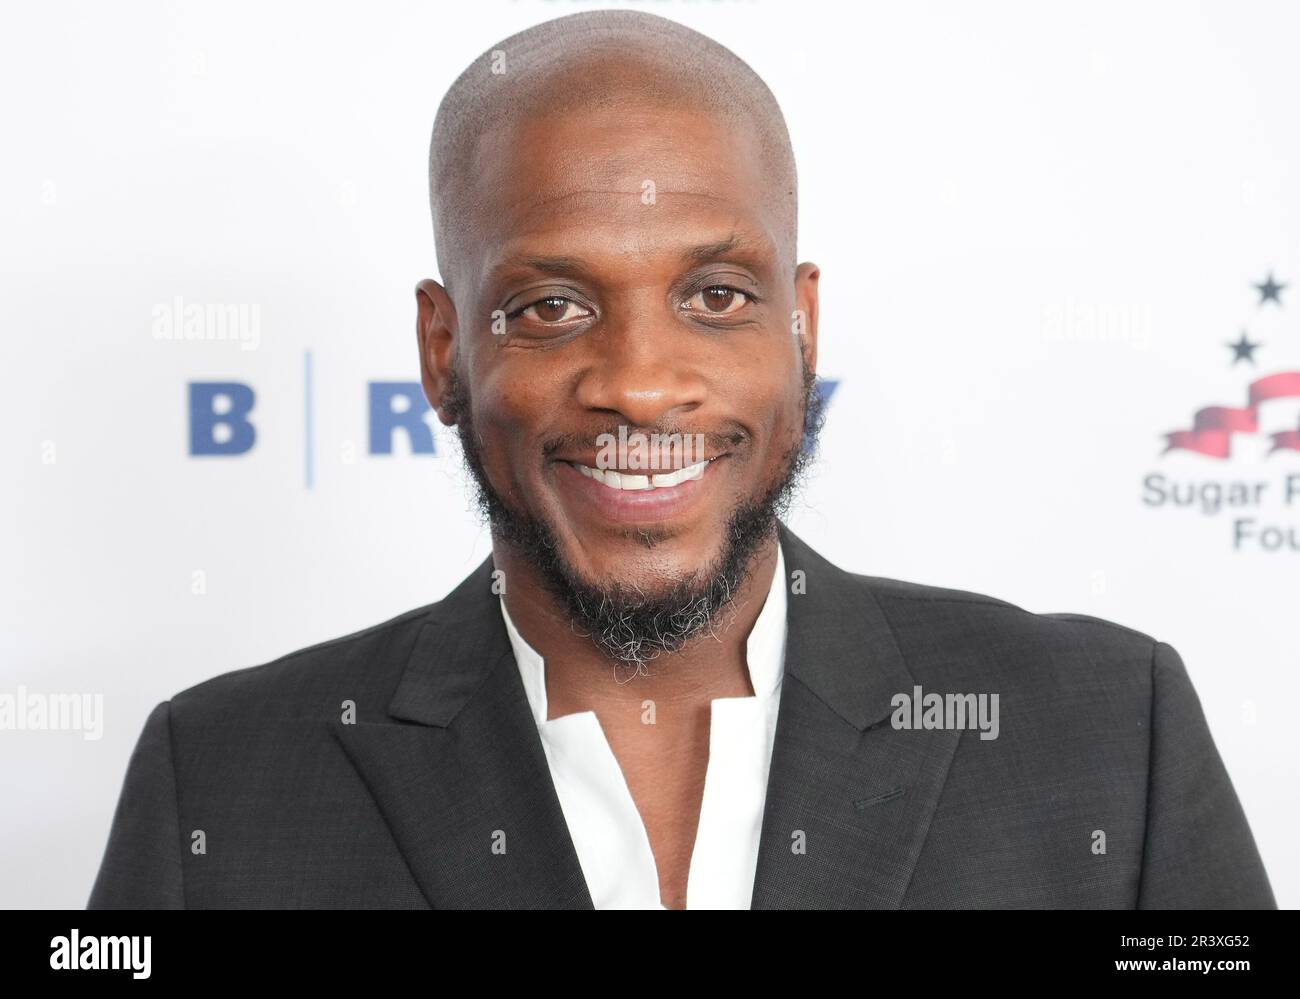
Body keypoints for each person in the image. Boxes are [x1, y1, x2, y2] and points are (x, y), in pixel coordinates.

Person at [88, 9, 1274, 910]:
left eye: (715, 294)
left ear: (801, 327)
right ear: (442, 350)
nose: (643, 383)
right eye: (550, 307)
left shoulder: (1105, 733)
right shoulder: (224, 779)